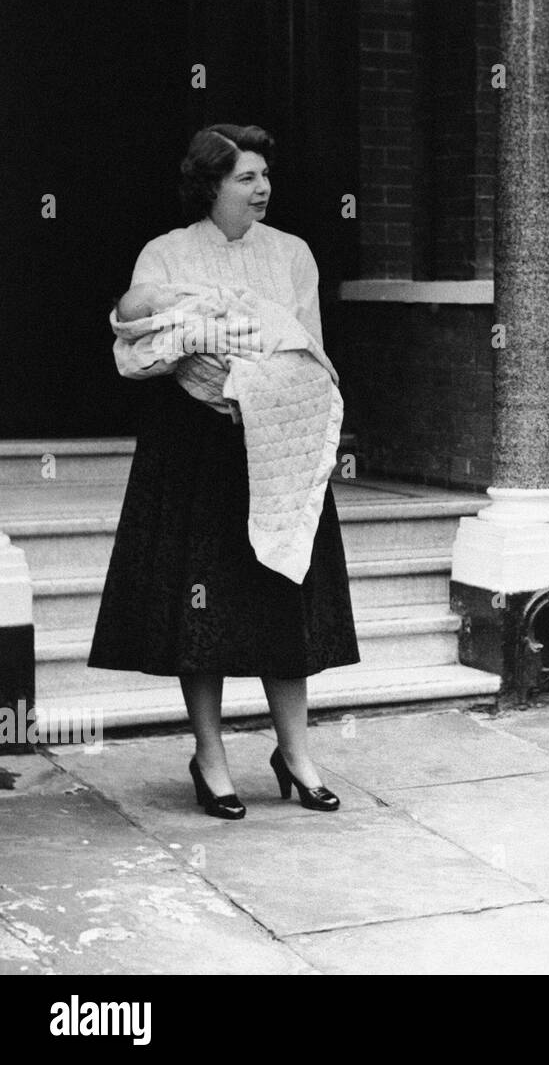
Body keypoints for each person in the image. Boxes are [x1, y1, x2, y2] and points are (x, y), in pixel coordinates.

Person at [88, 125, 358, 819]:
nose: (262, 187)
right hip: (194, 444)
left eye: (266, 175)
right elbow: (137, 334)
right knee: (197, 605)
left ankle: (295, 752)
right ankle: (210, 757)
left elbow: (309, 348)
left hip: (275, 440)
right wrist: (197, 350)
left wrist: (271, 386)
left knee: (282, 593)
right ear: (211, 184)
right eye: (246, 177)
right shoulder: (167, 252)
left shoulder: (293, 254)